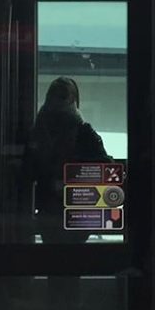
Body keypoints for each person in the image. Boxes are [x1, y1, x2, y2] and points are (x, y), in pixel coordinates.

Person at [26, 76, 110, 243]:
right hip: (77, 207)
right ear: (74, 101)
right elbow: (106, 166)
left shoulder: (39, 131)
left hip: (48, 209)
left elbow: (29, 170)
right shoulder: (83, 131)